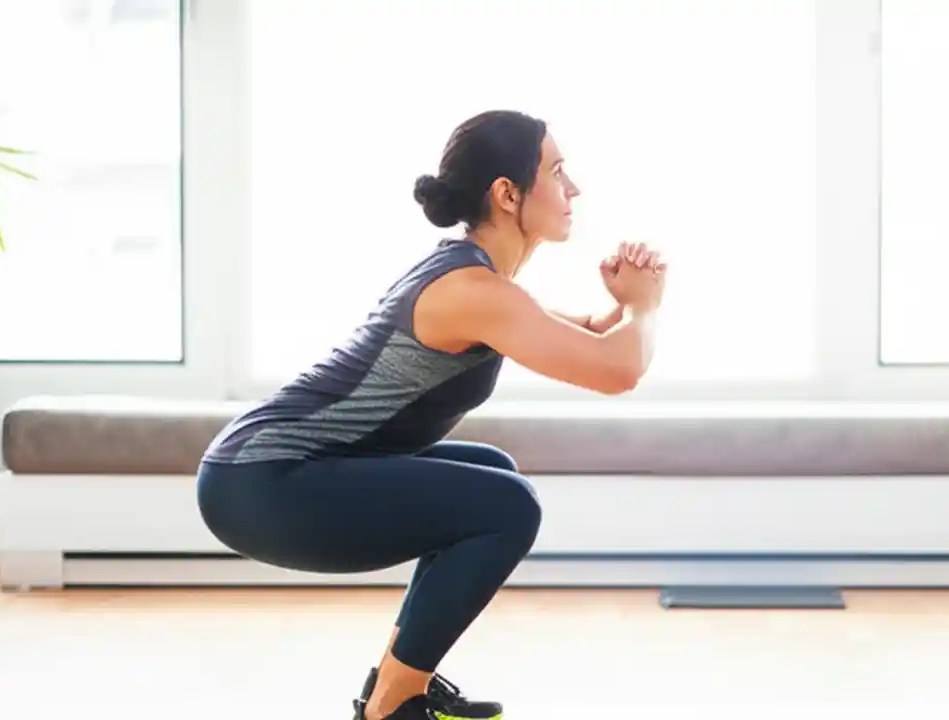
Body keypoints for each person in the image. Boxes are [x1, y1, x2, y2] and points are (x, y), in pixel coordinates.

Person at [195, 109, 667, 720]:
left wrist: (622, 307)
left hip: (263, 471)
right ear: (507, 193)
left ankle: (396, 685)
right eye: (556, 172)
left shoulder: (476, 278)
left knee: (491, 471)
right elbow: (617, 369)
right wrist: (645, 307)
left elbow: (589, 339)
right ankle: (393, 705)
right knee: (506, 505)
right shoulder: (473, 292)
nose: (572, 189)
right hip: (262, 482)